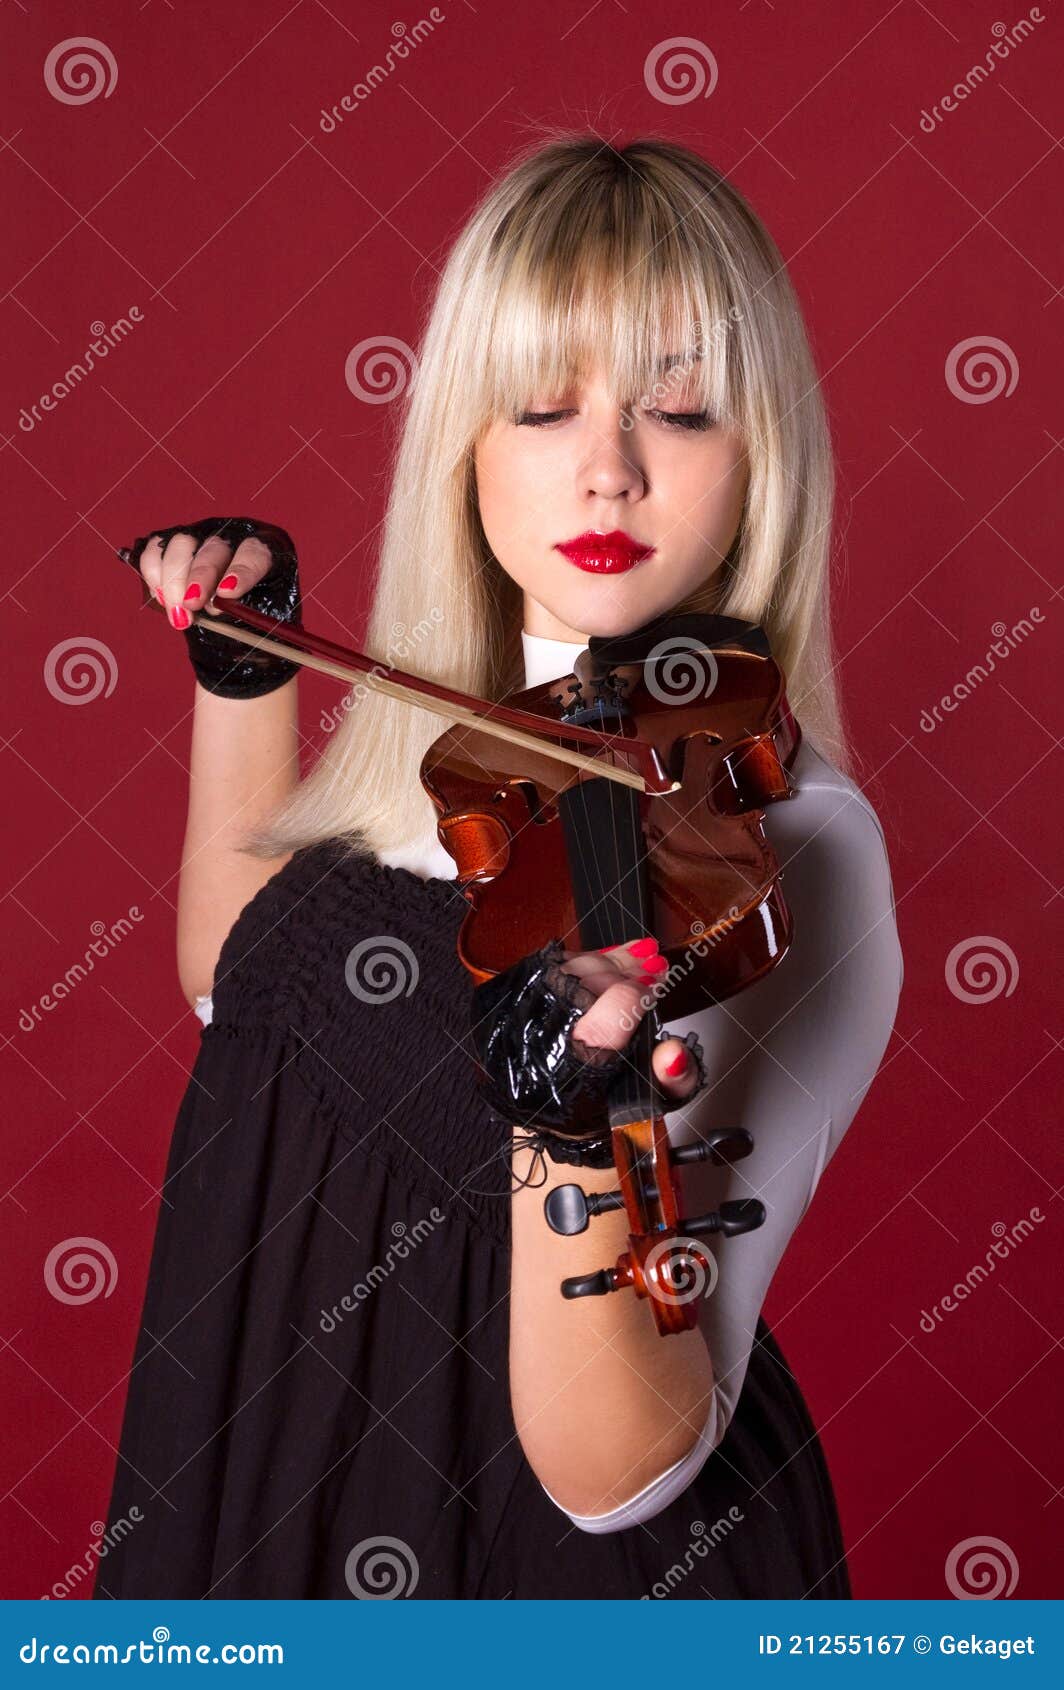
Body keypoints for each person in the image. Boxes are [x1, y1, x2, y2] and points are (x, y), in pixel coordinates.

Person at [93, 133, 903, 1600]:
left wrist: (572, 1119)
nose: (607, 466)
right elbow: (243, 990)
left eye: (679, 406)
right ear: (465, 437)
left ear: (761, 447)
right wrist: (245, 682)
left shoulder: (784, 848)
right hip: (277, 1483)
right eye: (540, 405)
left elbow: (615, 1481)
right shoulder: (457, 755)